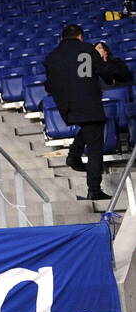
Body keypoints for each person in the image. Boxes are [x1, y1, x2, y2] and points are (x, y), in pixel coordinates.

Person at [45, 23, 109, 200]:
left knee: (91, 128)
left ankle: (73, 155)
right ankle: (94, 189)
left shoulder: (52, 57)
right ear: (80, 36)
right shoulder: (87, 49)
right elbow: (102, 70)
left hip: (67, 105)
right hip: (88, 102)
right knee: (95, 146)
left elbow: (49, 86)